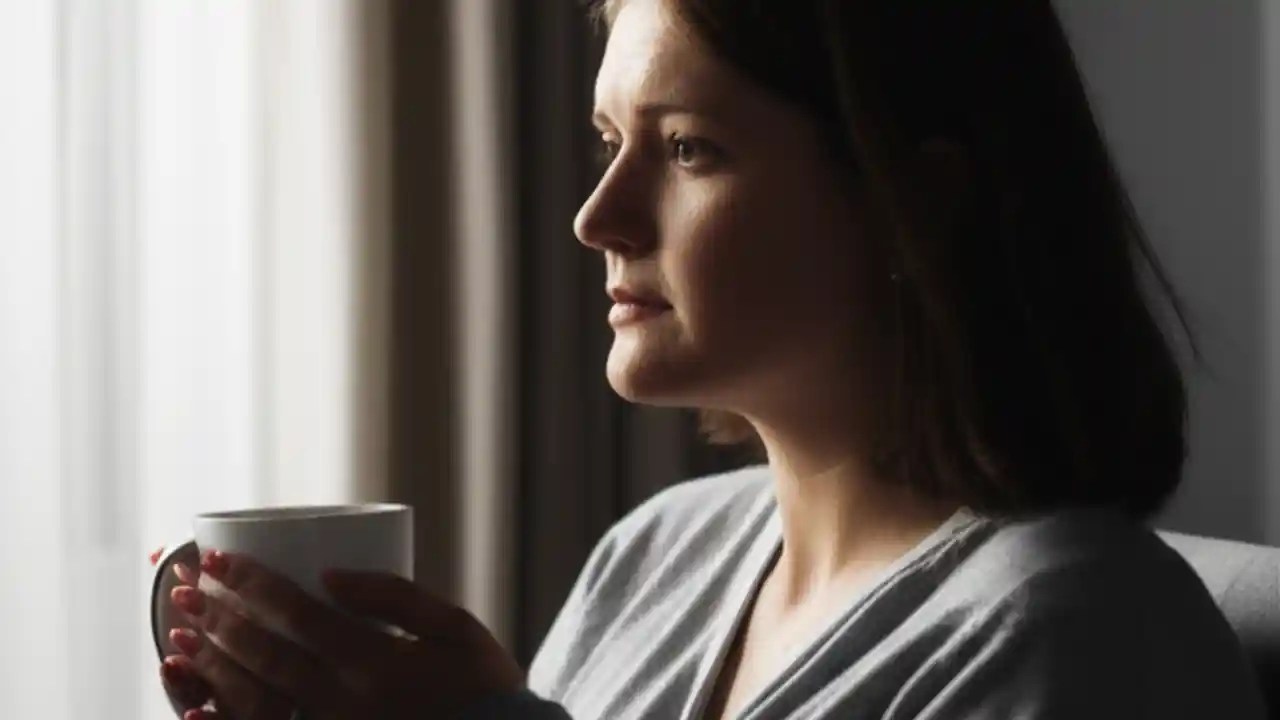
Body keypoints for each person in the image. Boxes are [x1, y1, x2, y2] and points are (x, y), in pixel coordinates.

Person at [156, 0, 1268, 717]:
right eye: (606, 142)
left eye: (688, 148)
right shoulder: (655, 555)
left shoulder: (1083, 640)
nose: (599, 215)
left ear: (910, 202)